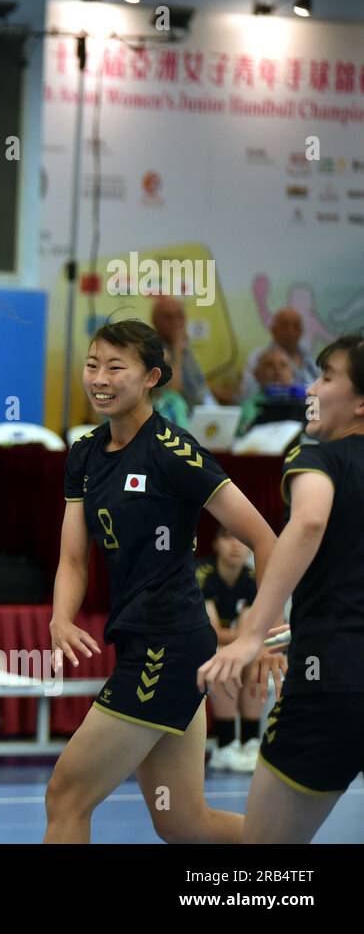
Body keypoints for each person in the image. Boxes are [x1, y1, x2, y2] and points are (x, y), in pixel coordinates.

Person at [44, 321, 277, 844]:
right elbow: (74, 558)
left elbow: (267, 541)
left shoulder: (173, 451)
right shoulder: (84, 453)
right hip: (145, 640)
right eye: (92, 365)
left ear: (151, 377)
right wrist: (61, 616)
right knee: (183, 822)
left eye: (115, 367)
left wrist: (259, 632)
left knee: (66, 797)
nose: (99, 379)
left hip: (167, 643)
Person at [200, 334, 364, 842]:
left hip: (331, 686)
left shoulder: (317, 455)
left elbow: (310, 521)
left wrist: (252, 631)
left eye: (327, 376)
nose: (310, 388)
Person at [193, 528, 262, 773]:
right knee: (224, 657)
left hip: (227, 645)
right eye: (228, 538)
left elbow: (247, 632)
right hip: (193, 642)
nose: (236, 546)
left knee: (255, 659)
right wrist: (241, 640)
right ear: (215, 543)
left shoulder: (252, 577)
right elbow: (212, 632)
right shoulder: (202, 574)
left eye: (242, 540)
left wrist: (244, 642)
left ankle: (250, 742)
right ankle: (225, 745)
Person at [152, 296, 221, 411]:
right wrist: (177, 349)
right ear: (155, 320)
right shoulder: (153, 349)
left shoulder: (184, 346)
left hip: (203, 414)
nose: (176, 322)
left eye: (180, 316)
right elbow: (172, 392)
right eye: (168, 317)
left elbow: (199, 387)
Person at [240, 307, 319, 402]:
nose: (291, 331)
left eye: (296, 326)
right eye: (285, 326)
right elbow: (247, 394)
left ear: (301, 331)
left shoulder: (311, 360)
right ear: (273, 329)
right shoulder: (259, 356)